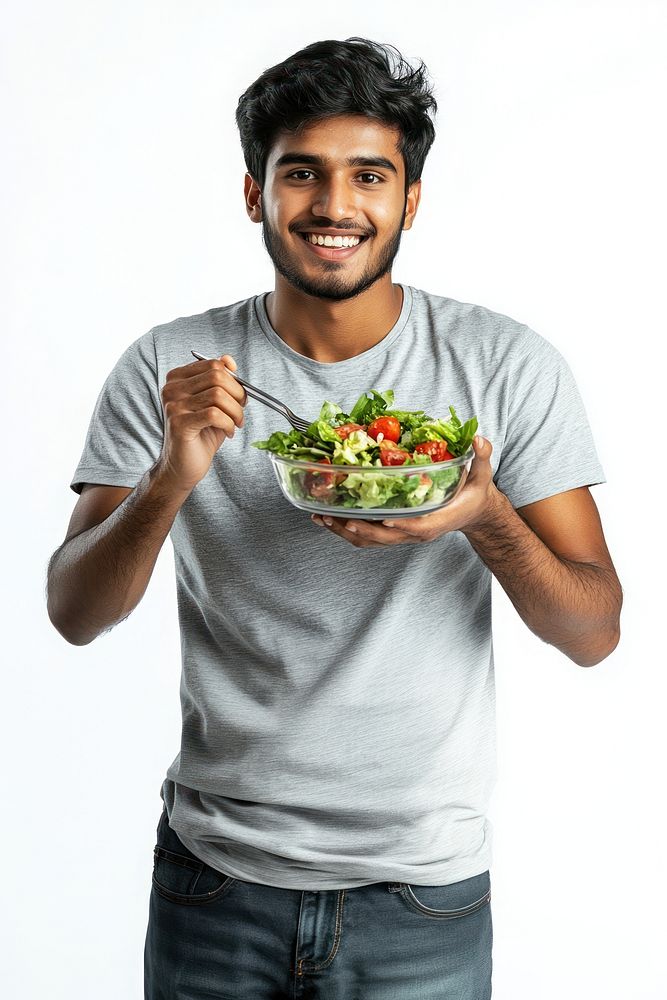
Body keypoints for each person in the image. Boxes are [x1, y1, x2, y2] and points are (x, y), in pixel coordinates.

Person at [47, 36, 622, 1000]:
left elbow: (594, 630)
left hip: (422, 893)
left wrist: (483, 514)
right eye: (301, 173)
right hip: (214, 879)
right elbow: (74, 613)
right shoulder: (171, 367)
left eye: (368, 175)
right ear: (255, 193)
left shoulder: (504, 364)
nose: (334, 205)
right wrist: (170, 478)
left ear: (409, 200)